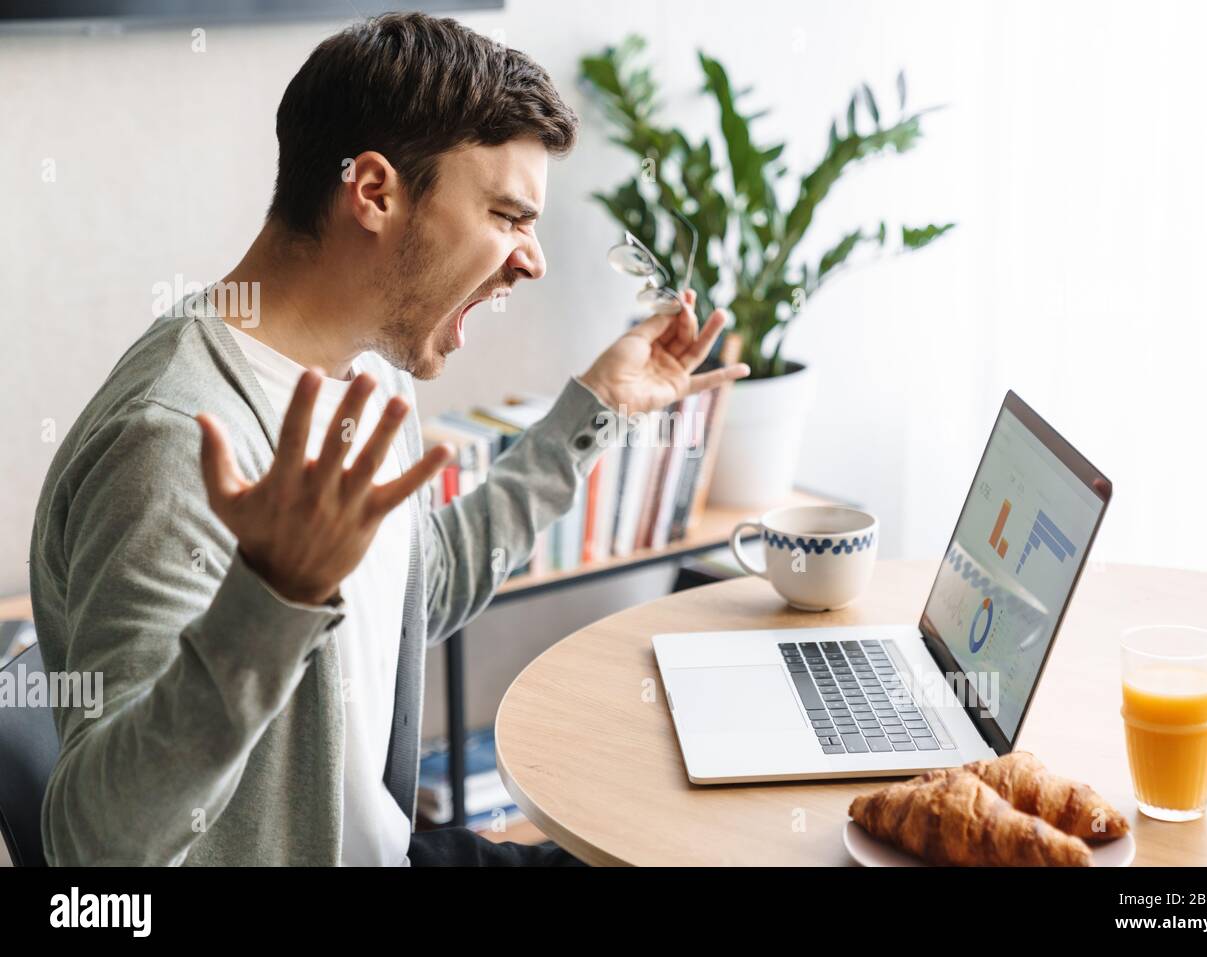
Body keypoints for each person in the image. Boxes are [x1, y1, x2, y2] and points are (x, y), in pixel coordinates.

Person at [29, 12, 747, 866]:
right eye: (510, 216)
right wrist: (272, 600)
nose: (534, 259)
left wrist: (594, 409)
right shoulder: (175, 442)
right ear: (372, 191)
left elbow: (417, 587)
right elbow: (92, 847)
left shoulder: (371, 365)